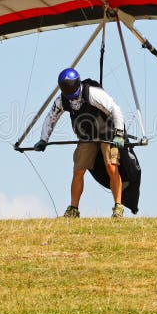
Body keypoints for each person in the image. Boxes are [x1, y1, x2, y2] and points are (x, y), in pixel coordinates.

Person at [33, 68, 126, 218]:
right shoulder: (62, 100)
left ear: (77, 84)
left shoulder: (92, 93)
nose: (71, 94)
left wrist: (119, 133)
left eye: (73, 89)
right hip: (87, 135)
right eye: (67, 90)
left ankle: (118, 207)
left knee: (111, 166)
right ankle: (73, 209)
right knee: (78, 170)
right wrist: (44, 139)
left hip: (107, 131)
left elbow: (115, 109)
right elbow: (51, 117)